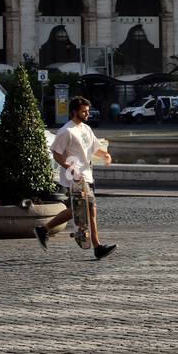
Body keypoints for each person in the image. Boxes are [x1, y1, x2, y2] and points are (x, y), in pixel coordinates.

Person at [35, 96, 116, 260]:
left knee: (78, 211)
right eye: (84, 111)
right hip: (76, 178)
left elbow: (94, 149)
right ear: (74, 112)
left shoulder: (86, 129)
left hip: (87, 175)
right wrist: (70, 168)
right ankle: (97, 247)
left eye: (87, 111)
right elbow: (56, 154)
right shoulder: (66, 131)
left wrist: (106, 155)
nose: (87, 114)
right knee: (89, 210)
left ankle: (43, 229)